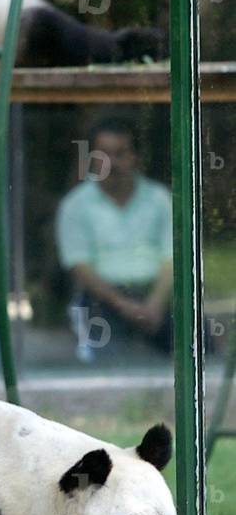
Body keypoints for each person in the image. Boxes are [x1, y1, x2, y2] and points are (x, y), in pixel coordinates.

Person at [55, 116, 172, 362]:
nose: (113, 163)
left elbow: (173, 257)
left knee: (203, 354)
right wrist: (124, 305)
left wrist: (155, 304)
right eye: (105, 155)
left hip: (159, 299)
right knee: (107, 369)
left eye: (121, 153)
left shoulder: (160, 199)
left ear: (135, 157)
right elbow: (79, 267)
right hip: (102, 302)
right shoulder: (75, 205)